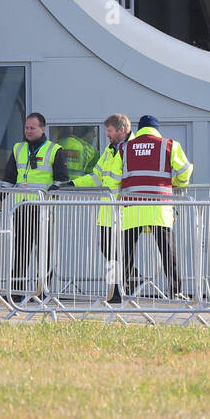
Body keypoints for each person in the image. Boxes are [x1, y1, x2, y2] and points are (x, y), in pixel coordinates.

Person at [118, 115, 193, 299]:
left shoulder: (125, 147)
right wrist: (176, 183)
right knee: (169, 252)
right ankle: (176, 292)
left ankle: (120, 292)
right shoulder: (169, 144)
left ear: (140, 128)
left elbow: (113, 176)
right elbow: (185, 170)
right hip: (159, 206)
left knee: (125, 252)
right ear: (156, 129)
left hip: (133, 206)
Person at [2, 112, 70, 296]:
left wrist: (52, 195)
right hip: (22, 207)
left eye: (32, 128)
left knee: (44, 251)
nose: (28, 131)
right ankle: (17, 292)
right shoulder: (18, 148)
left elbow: (62, 180)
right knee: (21, 250)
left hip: (43, 208)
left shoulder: (54, 149)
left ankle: (42, 291)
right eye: (26, 127)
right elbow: (9, 178)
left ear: (42, 129)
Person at [70, 113, 131, 303]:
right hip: (107, 210)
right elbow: (95, 177)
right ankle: (120, 285)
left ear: (122, 130)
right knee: (108, 249)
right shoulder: (109, 150)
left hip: (124, 209)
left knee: (120, 253)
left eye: (110, 131)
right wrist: (72, 184)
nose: (107, 135)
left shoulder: (131, 149)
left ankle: (118, 290)